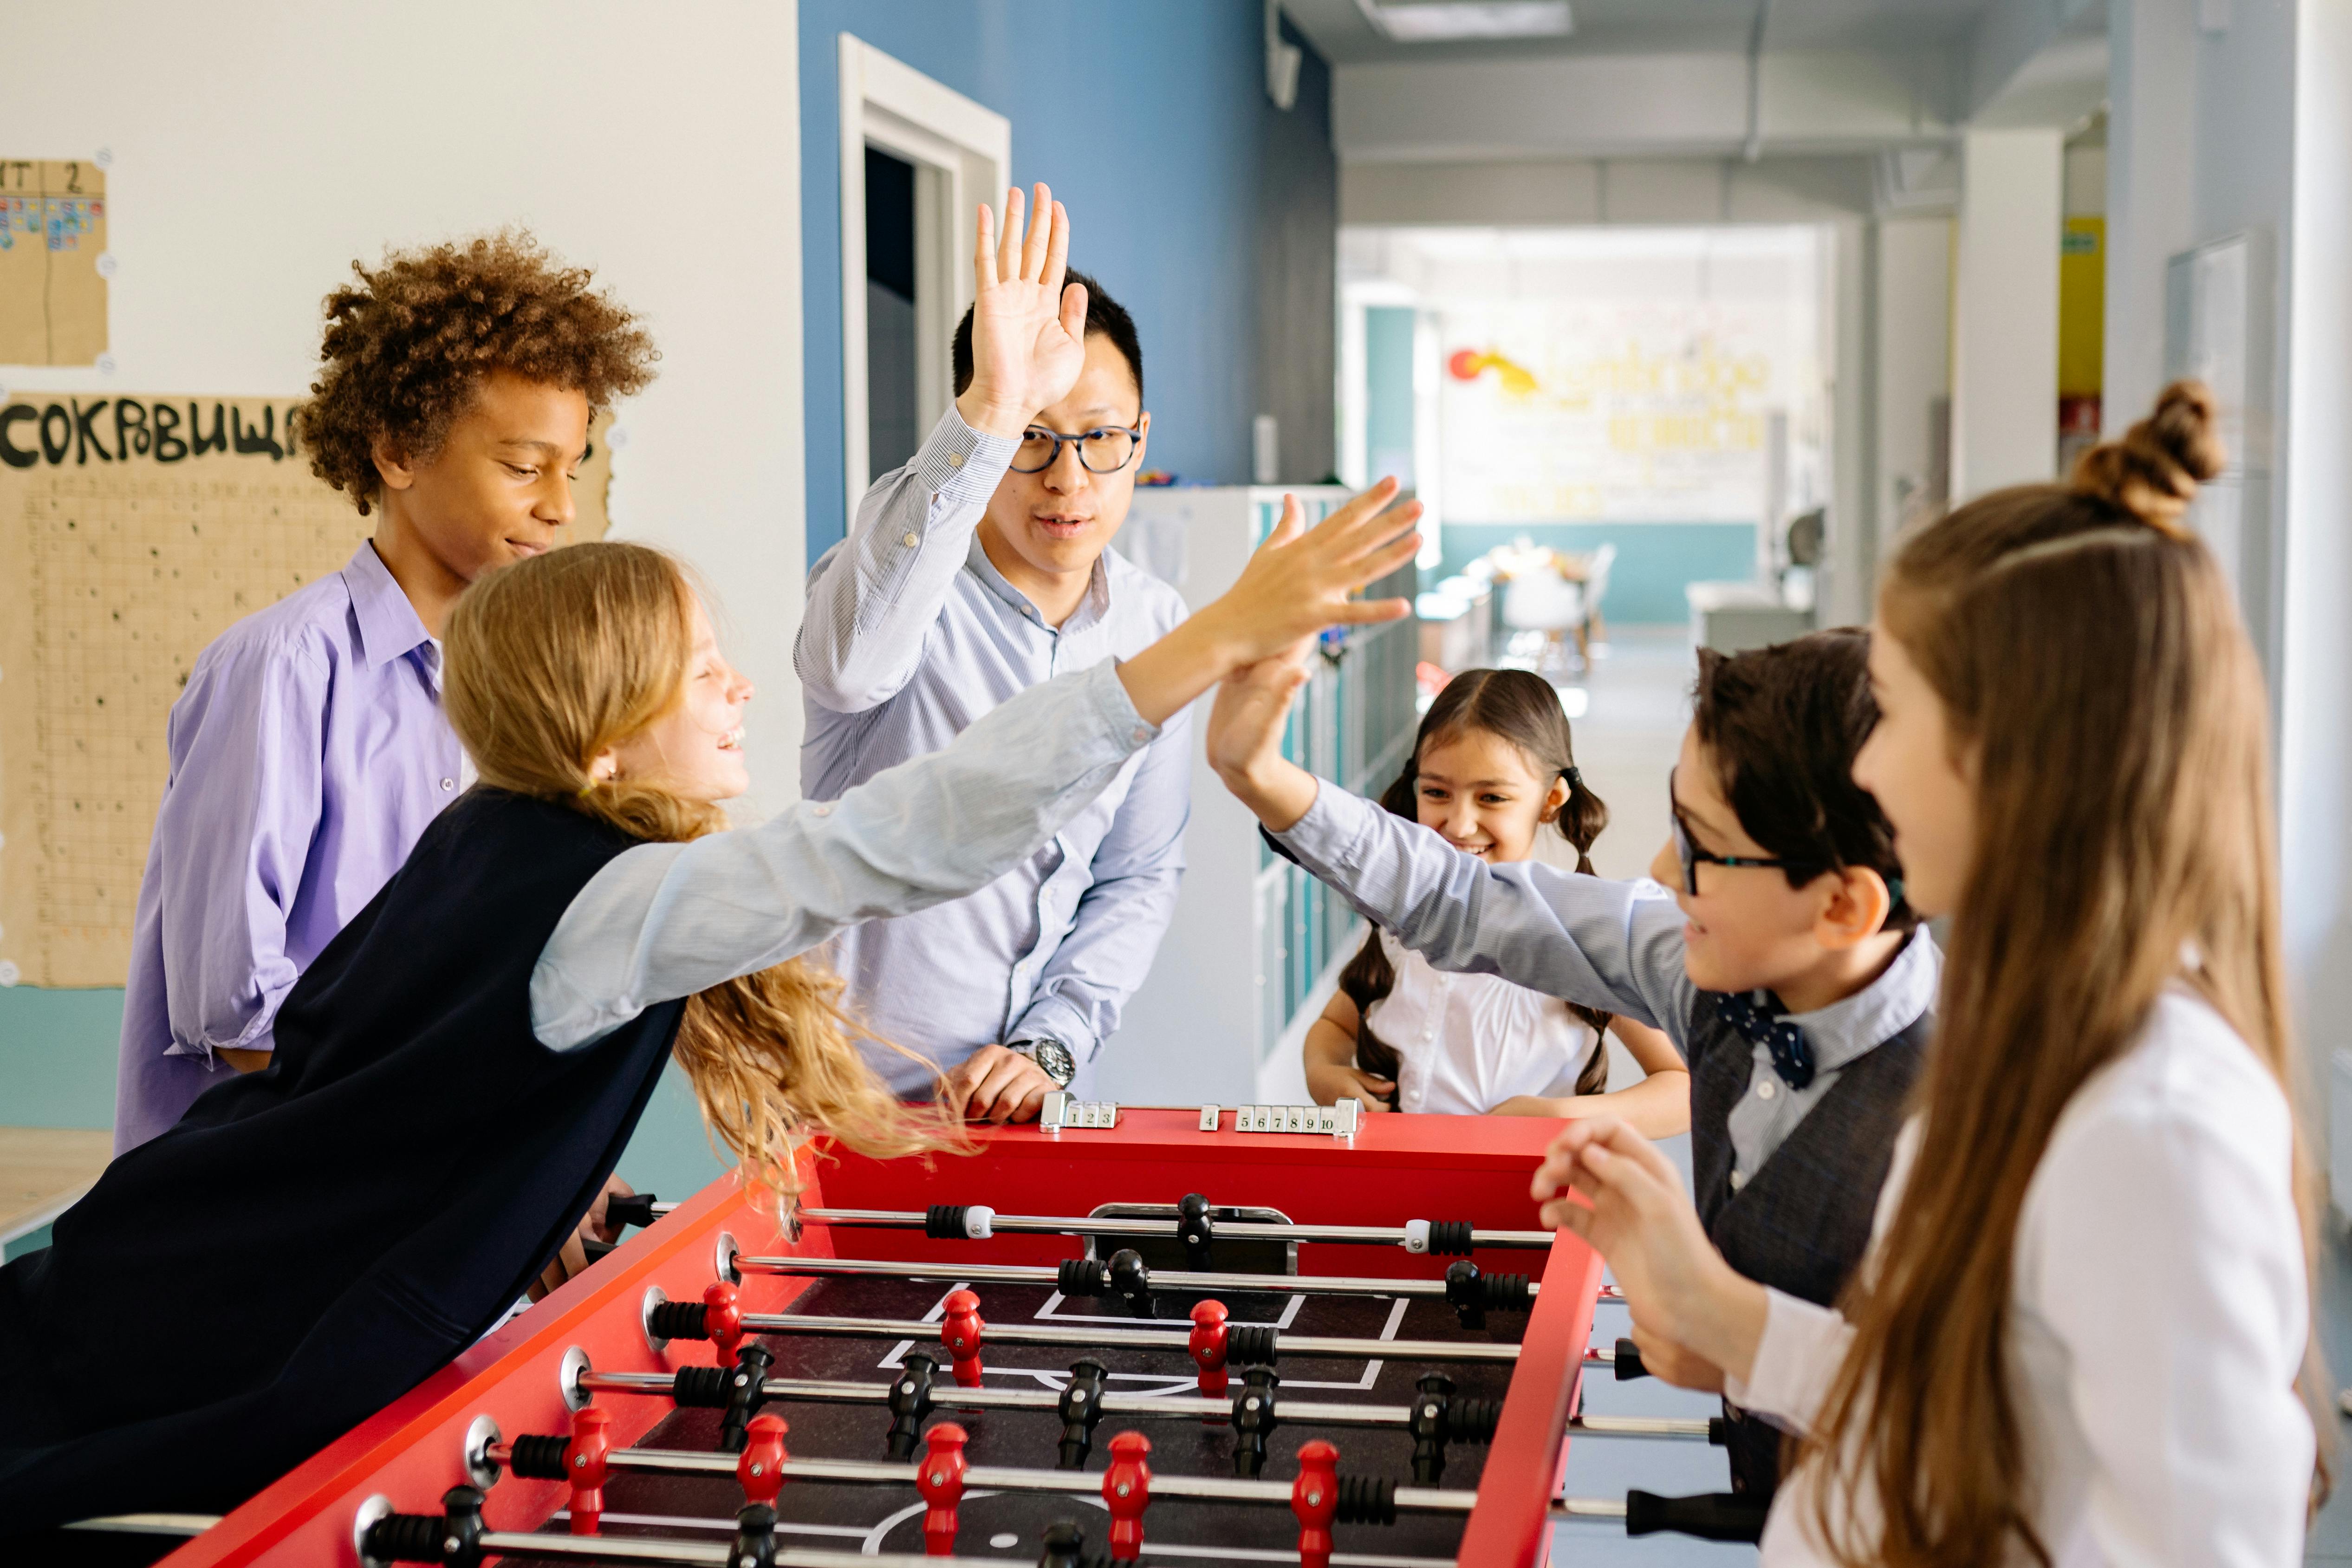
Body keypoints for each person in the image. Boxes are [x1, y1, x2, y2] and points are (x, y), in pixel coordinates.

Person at [0, 363, 1423, 1529]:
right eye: (700, 667)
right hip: (182, 1327)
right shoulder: (607, 893)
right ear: (611, 736)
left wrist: (539, 1201)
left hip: (141, 1268)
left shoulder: (490, 834)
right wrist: (1209, 637)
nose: (740, 683)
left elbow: (396, 1087)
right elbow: (911, 831)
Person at [1532, 383, 2320, 1565]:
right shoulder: (2024, 1022)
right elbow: (1981, 1409)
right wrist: (1724, 1316)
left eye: (1891, 713)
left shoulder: (2154, 1123)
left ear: (2009, 760)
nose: (1870, 763)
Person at [1216, 628, 1932, 1501]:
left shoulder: (1973, 1118)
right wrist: (1260, 773)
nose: (1664, 869)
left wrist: (1735, 1330)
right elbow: (1466, 900)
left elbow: (2011, 1435)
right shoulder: (1706, 966)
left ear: (1841, 903)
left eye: (1702, 848)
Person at [110, 232, 656, 1152]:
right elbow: (235, 1010)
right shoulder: (282, 667)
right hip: (255, 1208)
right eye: (525, 466)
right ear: (401, 451)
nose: (561, 504)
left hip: (410, 1198)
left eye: (576, 464)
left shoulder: (529, 697)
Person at [796, 185, 1186, 1121]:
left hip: (1027, 1104)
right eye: (1033, 439)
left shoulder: (1156, 621)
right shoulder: (897, 589)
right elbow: (848, 668)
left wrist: (1051, 1039)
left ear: (1142, 439)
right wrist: (989, 408)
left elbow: (1136, 873)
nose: (1068, 478)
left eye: (1101, 439)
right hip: (847, 1102)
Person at [1302, 667, 1687, 1133]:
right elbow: (1335, 1026)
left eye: (1491, 797)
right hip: (1406, 1189)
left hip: (1532, 1194)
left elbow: (1682, 1085)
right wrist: (1323, 1071)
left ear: (1549, 800)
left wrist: (1559, 1117)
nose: (1459, 824)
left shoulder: (1577, 939)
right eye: (1436, 792)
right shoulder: (1401, 925)